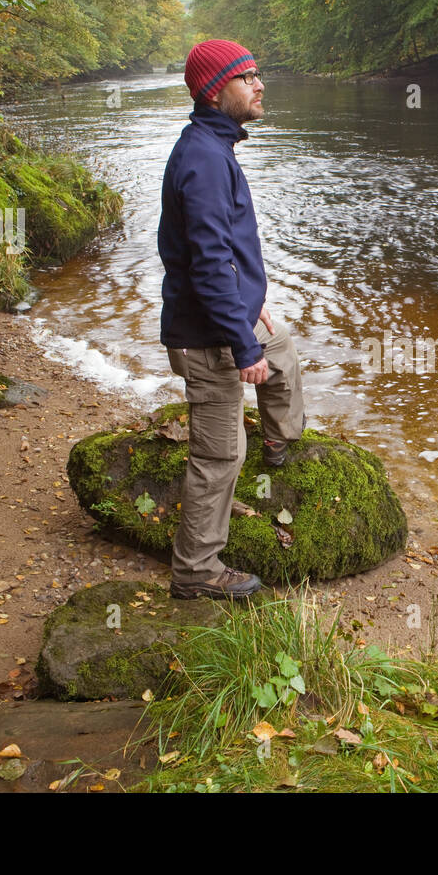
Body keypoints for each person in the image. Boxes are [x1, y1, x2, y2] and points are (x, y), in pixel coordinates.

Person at [158, 39, 305, 600]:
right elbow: (207, 260)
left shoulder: (214, 148)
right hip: (207, 336)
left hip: (227, 314)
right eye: (247, 77)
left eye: (258, 73)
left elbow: (217, 251)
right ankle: (195, 571)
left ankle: (280, 444)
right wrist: (241, 344)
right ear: (215, 91)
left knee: (284, 347)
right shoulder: (203, 158)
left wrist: (252, 301)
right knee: (219, 455)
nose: (259, 84)